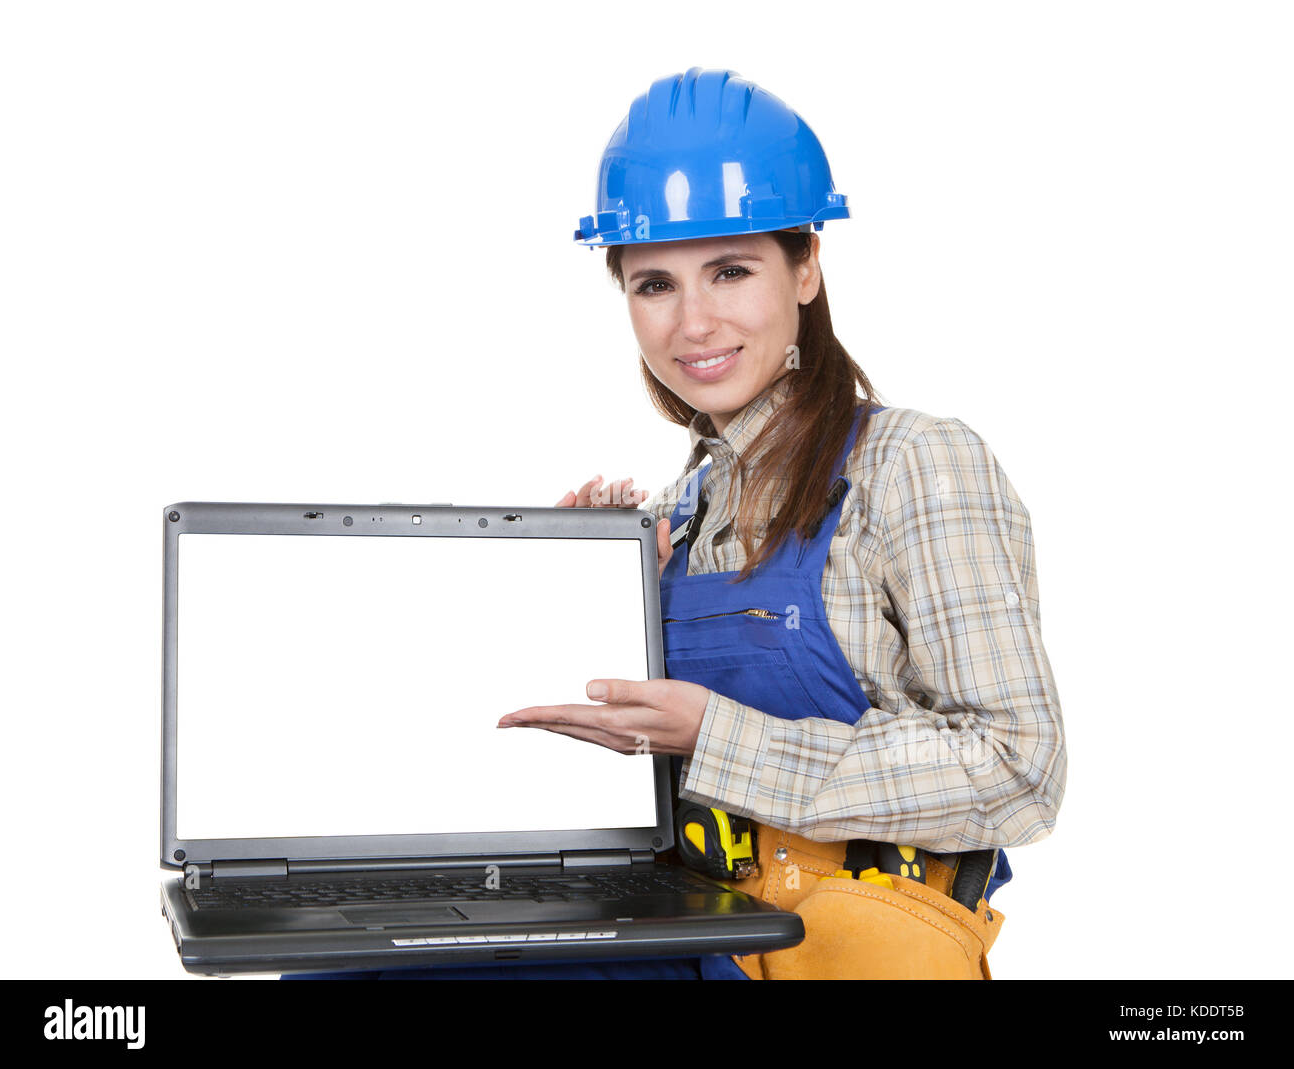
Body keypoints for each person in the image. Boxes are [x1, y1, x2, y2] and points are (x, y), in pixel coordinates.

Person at [287, 66, 1065, 981]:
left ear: (807, 266)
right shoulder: (673, 516)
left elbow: (1016, 767)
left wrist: (715, 735)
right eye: (655, 283)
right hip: (687, 921)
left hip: (845, 940)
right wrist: (580, 609)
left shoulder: (913, 463)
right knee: (340, 962)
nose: (693, 323)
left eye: (731, 271)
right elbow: (620, 779)